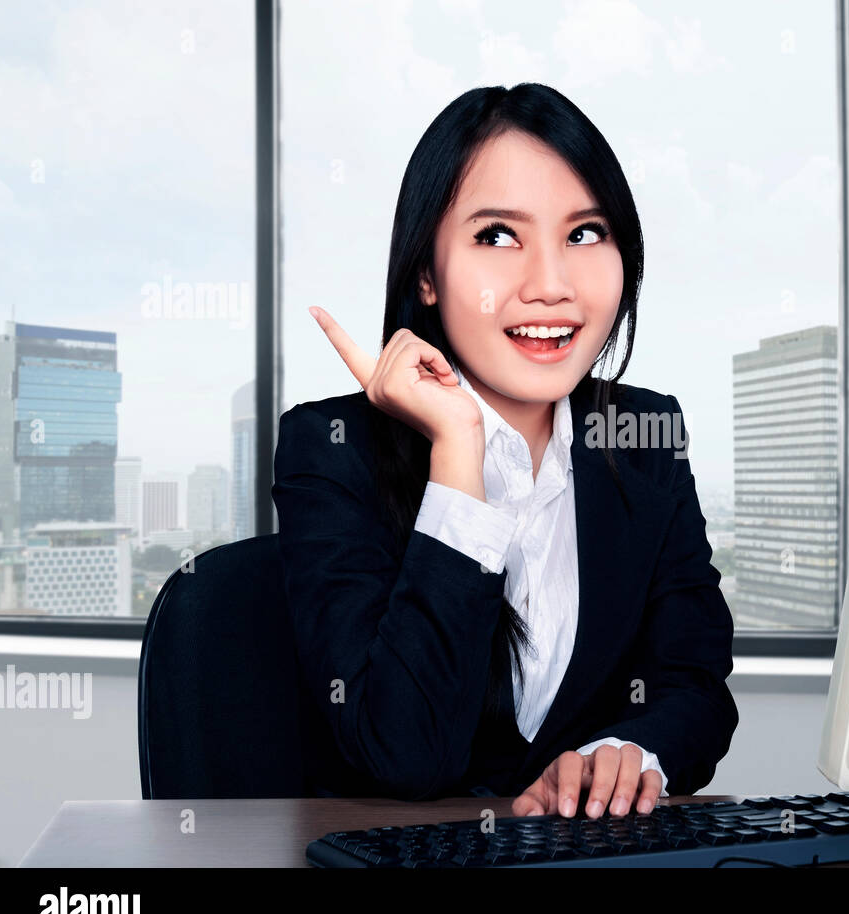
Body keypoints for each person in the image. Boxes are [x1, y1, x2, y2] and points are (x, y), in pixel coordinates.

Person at [271, 82, 737, 820]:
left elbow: (696, 688)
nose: (552, 286)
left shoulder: (644, 435)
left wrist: (628, 754)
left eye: (585, 234)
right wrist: (457, 455)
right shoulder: (331, 451)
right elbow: (405, 754)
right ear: (426, 272)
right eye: (496, 236)